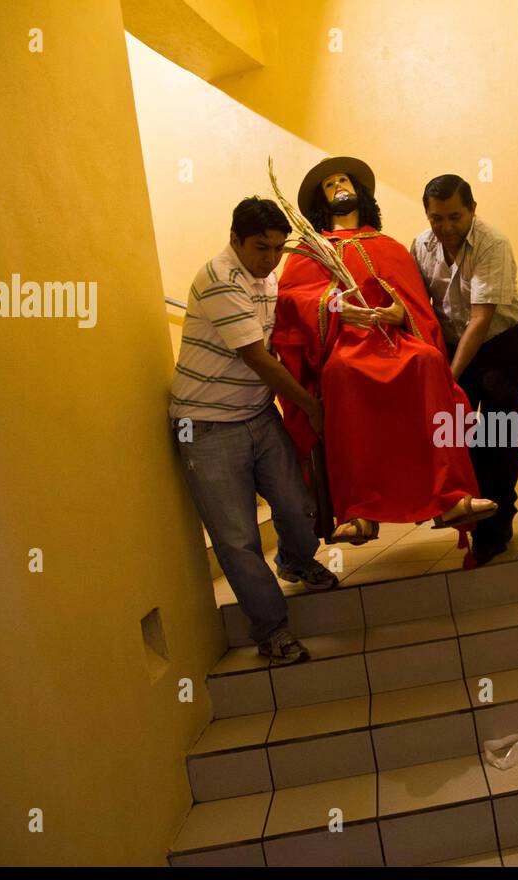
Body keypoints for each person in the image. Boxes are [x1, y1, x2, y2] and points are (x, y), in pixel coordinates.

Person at [272, 156, 496, 546]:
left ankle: (451, 496)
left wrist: (398, 315)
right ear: (321, 201)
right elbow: (292, 304)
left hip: (398, 342)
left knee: (427, 361)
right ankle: (359, 510)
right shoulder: (311, 250)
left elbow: (415, 305)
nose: (339, 186)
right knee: (339, 375)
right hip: (344, 347)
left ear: (360, 191)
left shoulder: (388, 246)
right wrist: (338, 309)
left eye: (344, 179)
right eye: (329, 184)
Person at [168, 197, 338, 666]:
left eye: (278, 249)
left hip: (257, 414)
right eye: (261, 248)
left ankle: (296, 561)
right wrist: (310, 406)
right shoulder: (220, 279)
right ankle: (272, 630)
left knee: (299, 503)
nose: (271, 259)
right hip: (205, 425)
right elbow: (256, 356)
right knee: (238, 537)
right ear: (235, 240)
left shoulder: (265, 277)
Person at [410, 174, 518, 566]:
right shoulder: (421, 246)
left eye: (455, 217)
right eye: (436, 219)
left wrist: (449, 376)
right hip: (451, 345)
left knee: (498, 435)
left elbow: (480, 319)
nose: (446, 227)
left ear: (472, 209)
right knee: (458, 435)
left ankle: (498, 525)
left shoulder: (493, 243)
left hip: (498, 344)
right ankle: (475, 519)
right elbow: (418, 305)